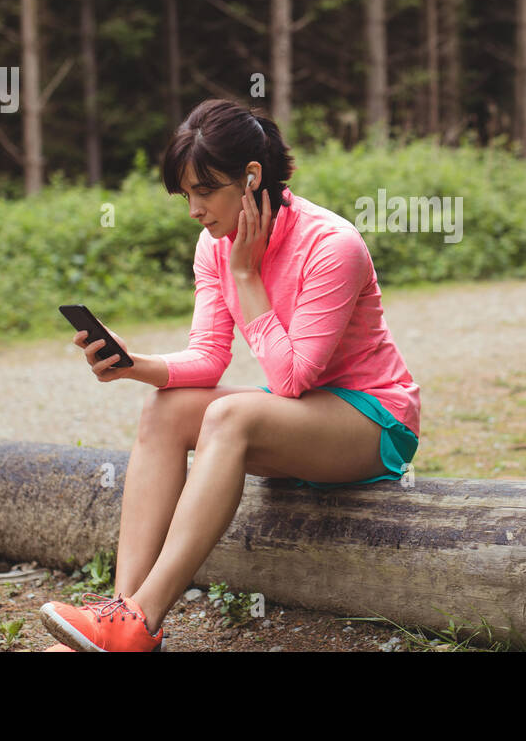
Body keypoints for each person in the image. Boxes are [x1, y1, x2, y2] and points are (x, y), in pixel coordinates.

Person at [39, 98, 421, 651]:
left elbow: (290, 381)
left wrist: (246, 273)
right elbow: (208, 357)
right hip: (300, 420)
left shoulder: (331, 246)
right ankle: (119, 620)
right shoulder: (212, 244)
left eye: (204, 190)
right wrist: (131, 364)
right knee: (165, 408)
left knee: (230, 413)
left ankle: (141, 620)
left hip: (373, 423)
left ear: (251, 178)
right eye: (185, 194)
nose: (194, 209)